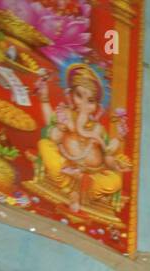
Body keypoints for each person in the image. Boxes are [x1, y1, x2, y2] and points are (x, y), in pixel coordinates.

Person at [34, 63, 126, 214]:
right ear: (70, 94)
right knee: (45, 145)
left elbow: (108, 155)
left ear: (97, 106)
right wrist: (45, 101)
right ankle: (72, 191)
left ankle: (83, 192)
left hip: (90, 176)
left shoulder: (99, 129)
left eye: (90, 101)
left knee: (115, 181)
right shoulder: (66, 114)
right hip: (66, 169)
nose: (84, 104)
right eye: (79, 96)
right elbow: (52, 137)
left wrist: (119, 139)